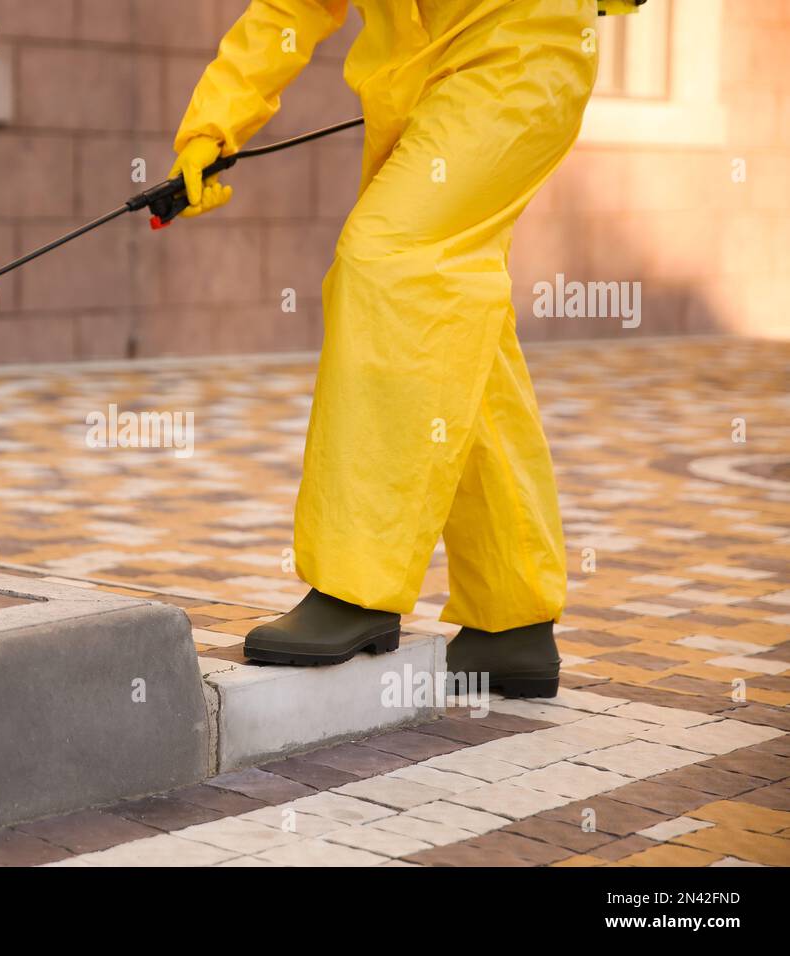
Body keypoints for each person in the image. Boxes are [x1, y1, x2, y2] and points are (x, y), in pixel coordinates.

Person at [169, 0, 641, 696]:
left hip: (523, 52)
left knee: (390, 262)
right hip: (418, 79)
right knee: (448, 312)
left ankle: (356, 587)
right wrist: (216, 123)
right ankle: (511, 623)